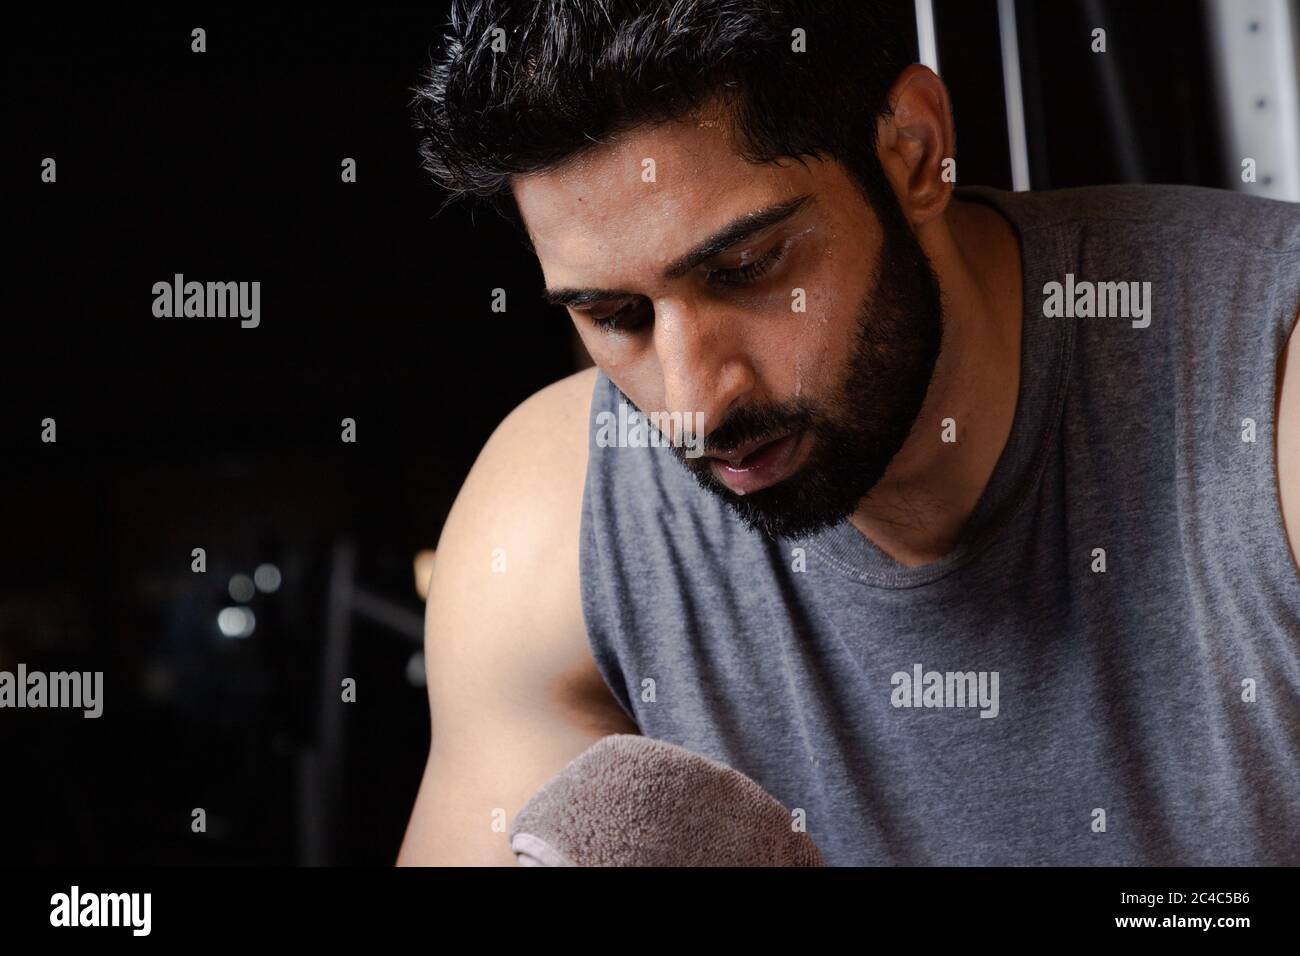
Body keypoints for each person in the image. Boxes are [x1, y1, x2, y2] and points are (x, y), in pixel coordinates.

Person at [396, 0, 1300, 865]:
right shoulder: (551, 525)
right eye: (616, 315)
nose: (694, 406)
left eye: (747, 268)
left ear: (913, 152)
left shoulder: (1273, 389)